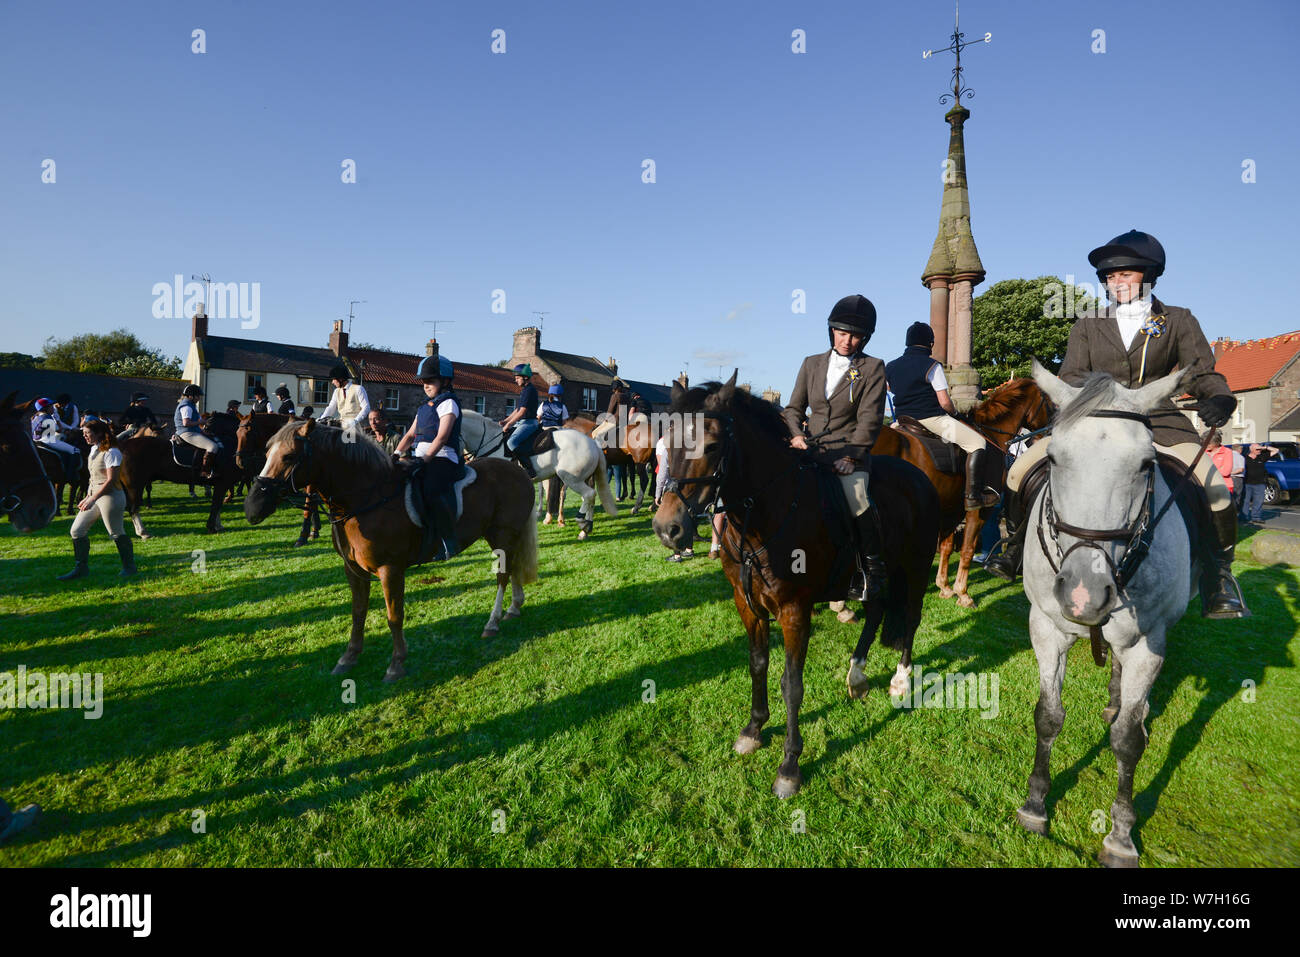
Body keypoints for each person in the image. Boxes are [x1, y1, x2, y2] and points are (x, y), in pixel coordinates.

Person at [986, 229, 1248, 618]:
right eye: (1110, 277)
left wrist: (1220, 396)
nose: (1116, 282)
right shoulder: (1089, 324)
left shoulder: (1177, 319)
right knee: (1020, 471)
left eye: (1125, 274)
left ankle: (1219, 576)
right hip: (1094, 422)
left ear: (1148, 275)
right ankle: (1012, 549)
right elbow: (1073, 376)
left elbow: (1200, 372)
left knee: (1216, 490)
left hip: (1159, 421)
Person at [782, 294, 889, 601]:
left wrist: (851, 456)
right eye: (841, 333)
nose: (846, 340)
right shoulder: (811, 363)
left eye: (854, 335)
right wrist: (796, 434)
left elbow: (870, 419)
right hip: (809, 451)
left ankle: (870, 570)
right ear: (831, 331)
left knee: (857, 500)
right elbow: (793, 409)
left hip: (848, 454)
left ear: (864, 337)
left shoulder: (873, 368)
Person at [885, 322, 1000, 510]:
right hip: (931, 419)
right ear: (930, 344)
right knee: (978, 443)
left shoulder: (891, 366)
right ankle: (973, 496)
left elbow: (889, 388)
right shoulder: (932, 365)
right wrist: (955, 414)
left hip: (901, 420)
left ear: (907, 342)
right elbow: (944, 402)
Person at [396, 353, 464, 560]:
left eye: (430, 381)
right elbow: (409, 435)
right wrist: (396, 454)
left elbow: (442, 437)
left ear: (445, 381)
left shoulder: (448, 404)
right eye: (423, 381)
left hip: (443, 458)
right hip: (420, 457)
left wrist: (423, 461)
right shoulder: (423, 407)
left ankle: (449, 542)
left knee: (431, 489)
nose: (425, 385)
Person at [56, 418, 135, 580]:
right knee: (76, 531)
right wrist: (87, 496)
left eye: (88, 433)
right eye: (83, 433)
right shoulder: (93, 449)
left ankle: (130, 567)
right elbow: (93, 477)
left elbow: (110, 480)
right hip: (94, 495)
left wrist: (92, 498)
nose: (85, 436)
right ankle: (81, 568)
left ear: (99, 433)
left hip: (111, 496)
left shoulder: (112, 452)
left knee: (116, 532)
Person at [500, 363, 541, 478]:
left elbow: (522, 412)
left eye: (517, 378)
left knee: (511, 442)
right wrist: (506, 420)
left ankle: (529, 469)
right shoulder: (524, 390)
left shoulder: (529, 390)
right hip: (522, 422)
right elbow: (517, 410)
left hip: (529, 423)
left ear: (525, 377)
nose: (516, 380)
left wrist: (509, 424)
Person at [31, 397, 82, 474]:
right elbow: (57, 430)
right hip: (48, 440)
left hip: (36, 441)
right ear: (45, 408)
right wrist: (70, 430)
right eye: (51, 406)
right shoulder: (47, 417)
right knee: (75, 450)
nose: (53, 408)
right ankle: (69, 474)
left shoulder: (35, 417)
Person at [318, 365, 371, 431]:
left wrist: (355, 421)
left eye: (334, 379)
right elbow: (331, 408)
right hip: (342, 425)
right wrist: (321, 419)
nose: (332, 382)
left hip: (356, 426)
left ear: (341, 379)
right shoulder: (336, 391)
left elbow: (366, 407)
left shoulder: (358, 389)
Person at [1241, 443, 1279, 524]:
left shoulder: (1262, 456)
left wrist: (1264, 447)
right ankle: (1244, 516)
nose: (1259, 451)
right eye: (1257, 449)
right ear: (1251, 450)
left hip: (1260, 483)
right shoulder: (1244, 458)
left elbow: (1276, 450)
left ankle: (1256, 517)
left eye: (1260, 449)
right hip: (1247, 483)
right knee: (1245, 501)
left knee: (1258, 501)